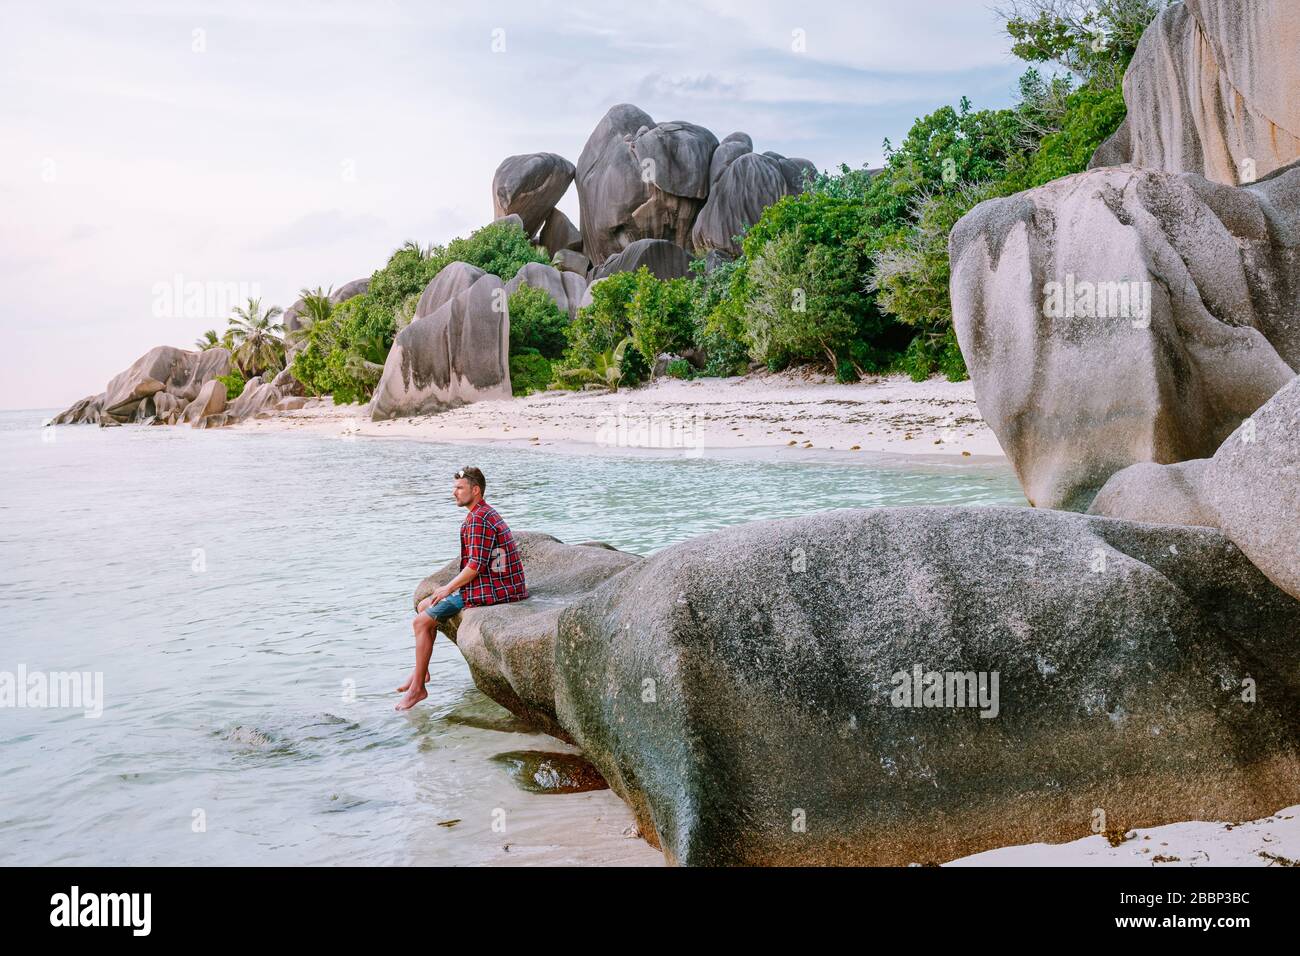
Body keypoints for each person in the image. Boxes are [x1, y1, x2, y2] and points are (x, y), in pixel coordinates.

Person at [396, 465, 529, 710]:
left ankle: (418, 689)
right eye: (454, 488)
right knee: (425, 605)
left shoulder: (479, 520)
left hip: (494, 589)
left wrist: (448, 588)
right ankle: (420, 673)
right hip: (495, 583)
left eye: (459, 488)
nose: (454, 493)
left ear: (475, 490)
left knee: (421, 622)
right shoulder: (482, 513)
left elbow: (476, 565)